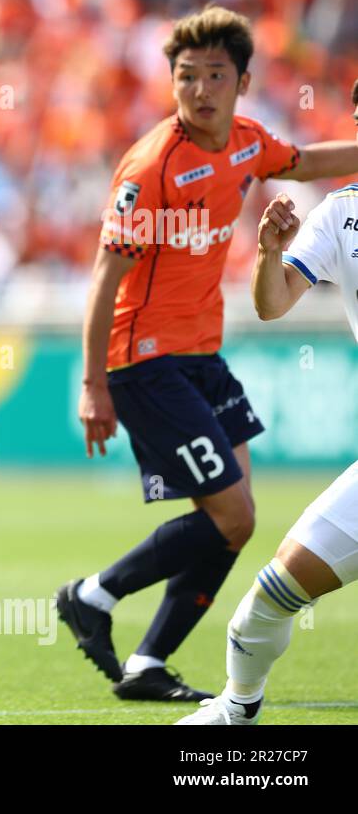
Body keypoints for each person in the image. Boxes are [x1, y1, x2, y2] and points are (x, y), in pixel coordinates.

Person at [56, 5, 358, 702]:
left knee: (236, 518)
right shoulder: (151, 167)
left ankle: (145, 663)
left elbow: (306, 161)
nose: (198, 89)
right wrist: (93, 383)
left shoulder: (248, 143)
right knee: (234, 516)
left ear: (242, 82)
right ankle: (94, 595)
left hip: (202, 355)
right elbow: (106, 276)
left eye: (213, 75)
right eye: (185, 76)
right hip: (144, 360)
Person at [178, 81, 358, 725]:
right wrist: (270, 252)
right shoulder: (341, 214)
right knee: (263, 605)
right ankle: (236, 708)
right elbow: (272, 302)